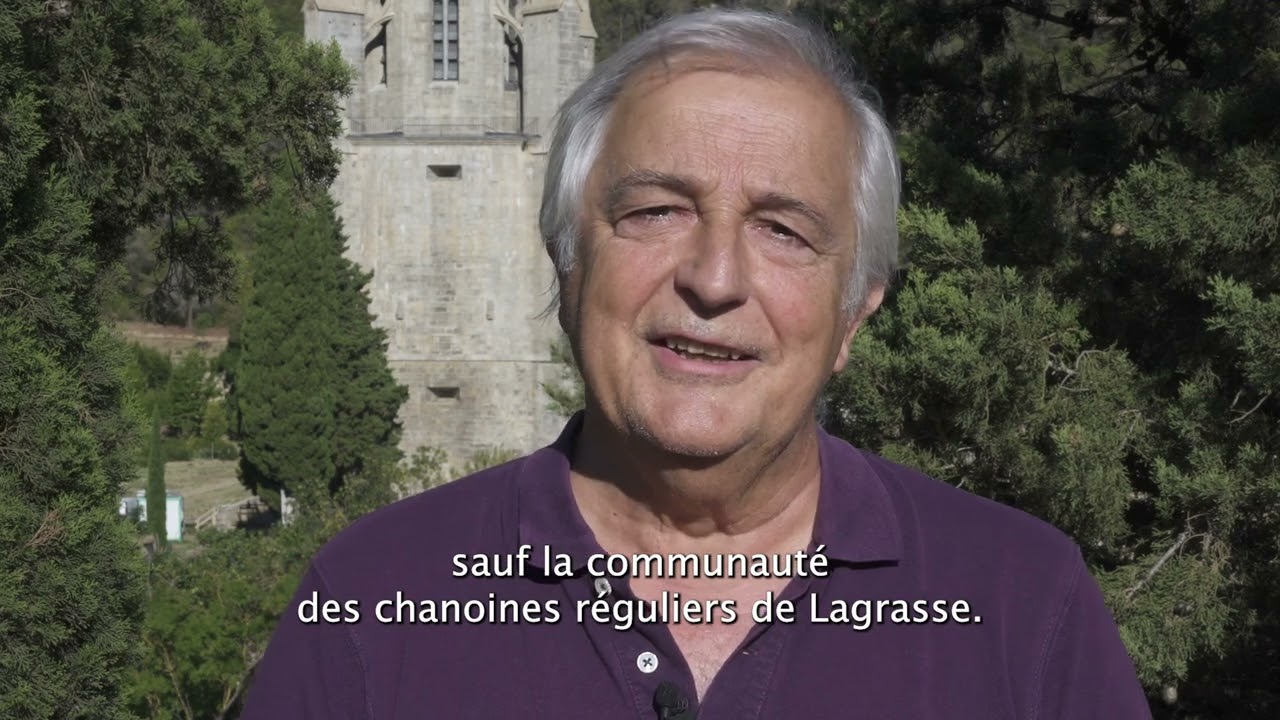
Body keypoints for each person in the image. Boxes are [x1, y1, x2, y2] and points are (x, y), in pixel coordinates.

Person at [242, 9, 1151, 718]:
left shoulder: (1024, 610)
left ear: (853, 315)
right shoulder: (368, 607)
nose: (714, 280)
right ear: (566, 261)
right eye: (654, 212)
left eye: (784, 230)